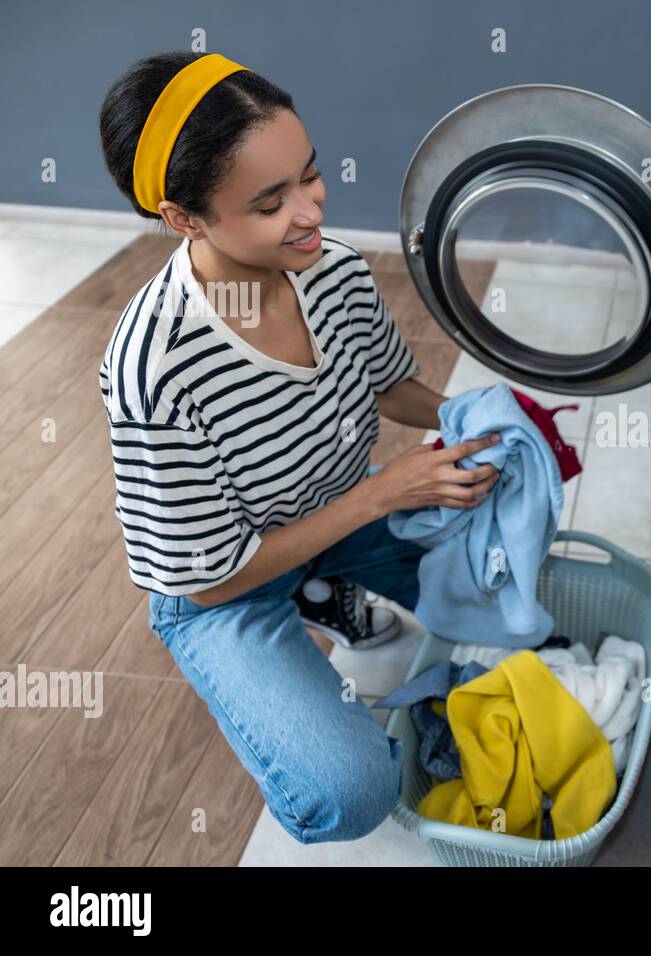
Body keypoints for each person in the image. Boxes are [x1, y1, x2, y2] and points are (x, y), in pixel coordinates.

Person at [97, 51, 499, 843]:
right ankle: (302, 615)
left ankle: (323, 591)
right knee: (348, 792)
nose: (311, 211)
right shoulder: (156, 369)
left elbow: (388, 386)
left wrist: (475, 425)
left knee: (515, 566)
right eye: (270, 201)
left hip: (338, 515)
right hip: (224, 588)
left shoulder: (331, 271)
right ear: (185, 218)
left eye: (309, 175)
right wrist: (385, 494)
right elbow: (209, 583)